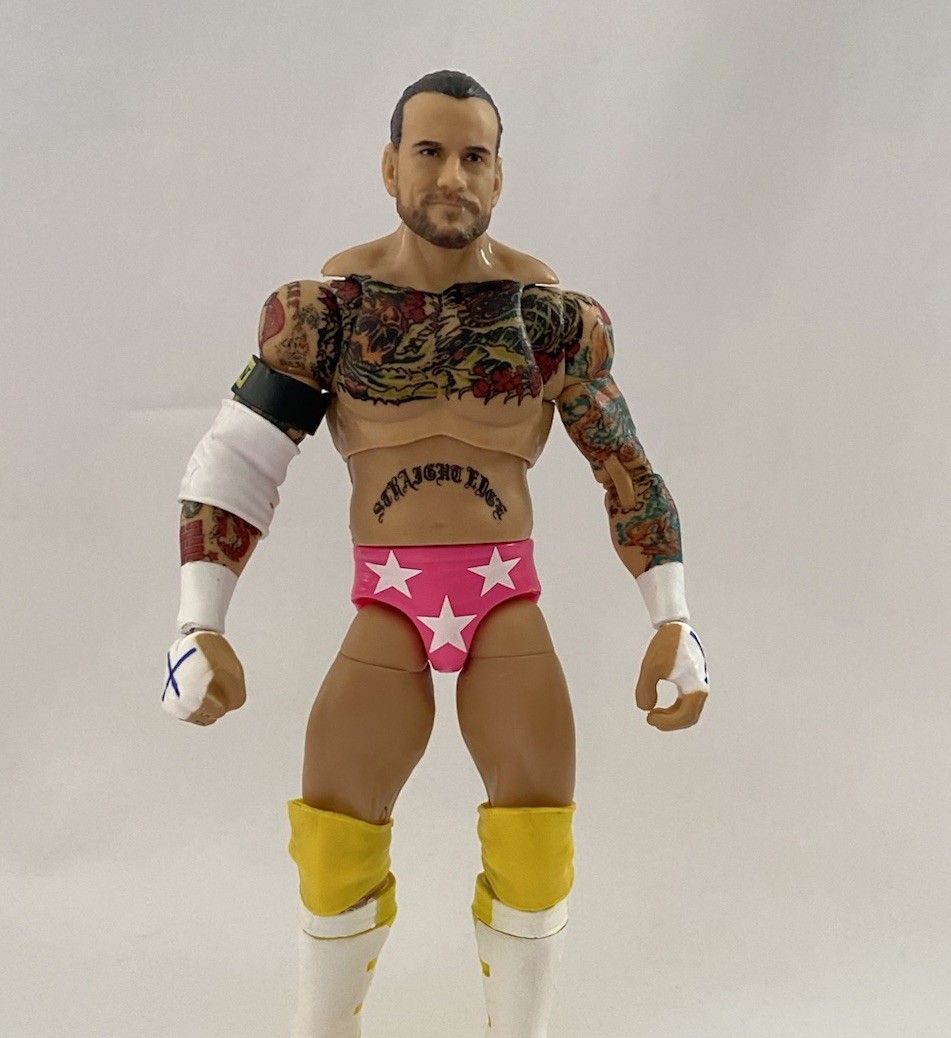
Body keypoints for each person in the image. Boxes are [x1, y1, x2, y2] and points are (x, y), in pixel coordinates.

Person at [163, 69, 709, 1038]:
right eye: (429, 151)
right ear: (389, 166)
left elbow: (625, 467)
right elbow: (241, 460)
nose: (452, 175)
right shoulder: (326, 315)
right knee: (332, 835)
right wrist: (196, 624)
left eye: (473, 155)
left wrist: (675, 620)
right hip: (389, 602)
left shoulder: (550, 322)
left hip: (506, 605)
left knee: (538, 841)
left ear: (499, 175)